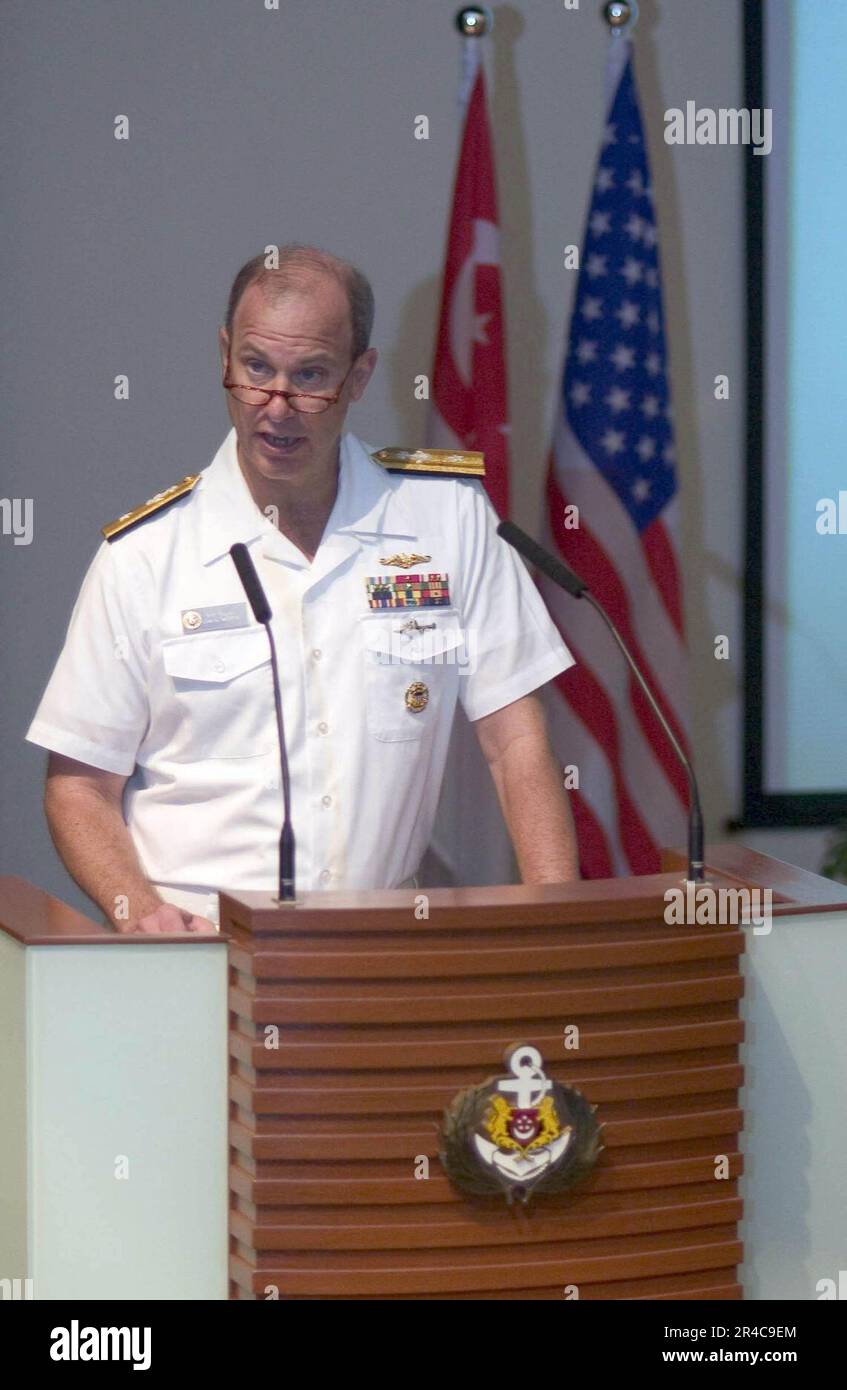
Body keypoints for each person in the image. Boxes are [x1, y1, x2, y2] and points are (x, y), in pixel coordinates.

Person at [26, 244, 579, 935]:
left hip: (384, 952)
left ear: (358, 376)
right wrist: (141, 915)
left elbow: (515, 744)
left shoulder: (446, 519)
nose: (276, 406)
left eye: (310, 375)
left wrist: (561, 922)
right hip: (194, 952)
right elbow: (80, 785)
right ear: (223, 356)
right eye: (256, 368)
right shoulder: (145, 555)